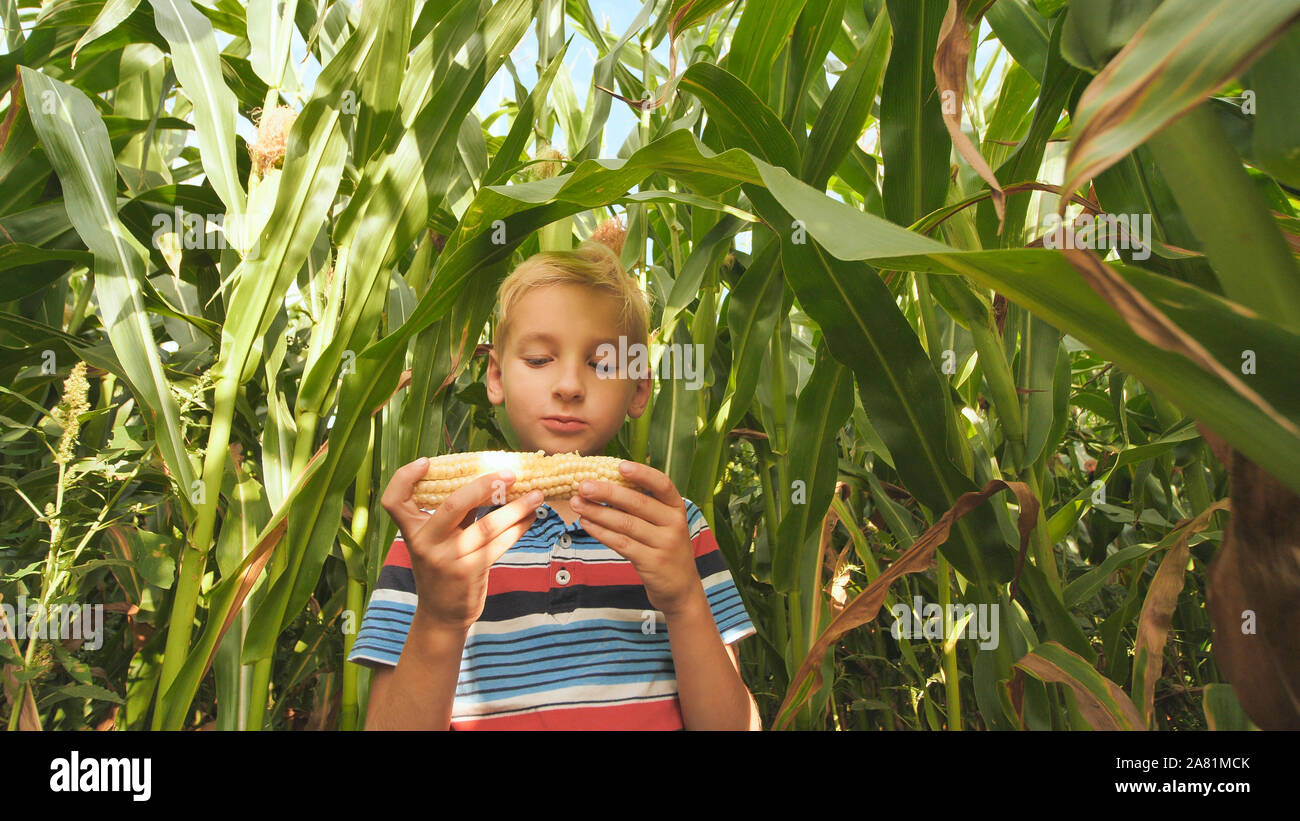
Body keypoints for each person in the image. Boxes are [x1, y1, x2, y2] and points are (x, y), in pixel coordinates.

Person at [347, 241, 761, 730]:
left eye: (603, 364)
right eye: (540, 359)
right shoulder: (435, 538)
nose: (568, 385)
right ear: (496, 377)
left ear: (639, 389)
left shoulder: (672, 529)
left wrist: (686, 601)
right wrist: (439, 617)